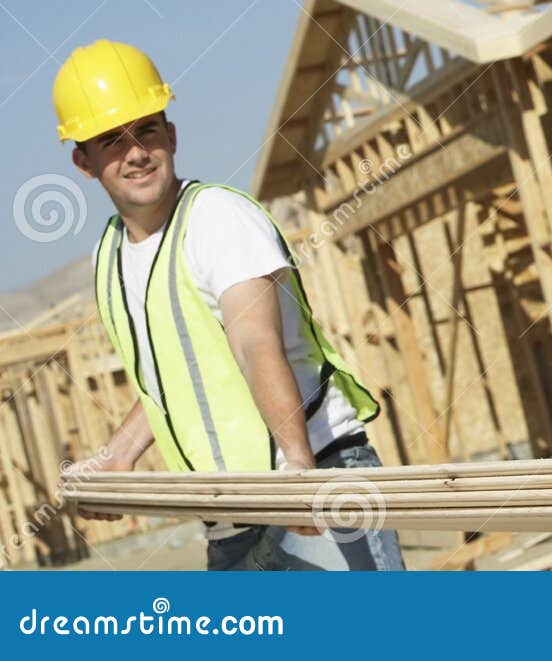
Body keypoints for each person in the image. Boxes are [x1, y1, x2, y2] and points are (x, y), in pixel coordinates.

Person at [55, 39, 404, 571]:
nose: (137, 152)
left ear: (170, 134)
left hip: (312, 478)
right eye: (112, 140)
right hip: (231, 511)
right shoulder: (112, 254)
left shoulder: (216, 218)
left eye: (147, 129)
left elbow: (255, 343)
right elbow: (173, 374)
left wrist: (299, 471)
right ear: (84, 162)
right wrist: (118, 453)